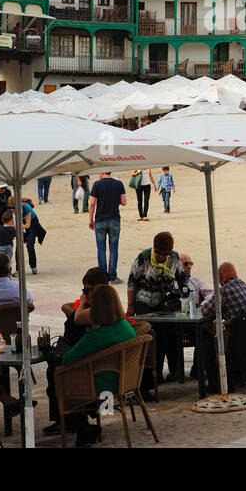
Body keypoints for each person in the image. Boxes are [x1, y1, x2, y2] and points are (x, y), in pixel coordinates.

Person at [59, 285, 137, 447]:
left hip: (104, 386)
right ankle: (86, 423)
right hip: (126, 379)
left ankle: (81, 427)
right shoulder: (125, 326)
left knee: (60, 377)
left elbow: (67, 359)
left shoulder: (97, 335)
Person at [127, 231, 189, 380]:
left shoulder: (174, 258)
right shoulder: (144, 257)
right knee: (151, 338)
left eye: (164, 254)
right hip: (144, 302)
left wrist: (184, 292)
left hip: (165, 303)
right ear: (154, 248)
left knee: (168, 336)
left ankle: (175, 371)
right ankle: (153, 375)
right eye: (159, 253)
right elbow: (132, 282)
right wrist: (130, 306)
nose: (161, 257)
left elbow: (182, 279)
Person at [88, 169, 126, 284]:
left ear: (101, 173)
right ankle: (113, 276)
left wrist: (90, 219)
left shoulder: (97, 184)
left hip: (100, 219)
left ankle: (102, 277)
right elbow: (124, 202)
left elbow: (92, 203)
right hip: (114, 219)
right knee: (113, 248)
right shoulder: (118, 184)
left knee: (101, 249)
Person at [17, 196, 46, 275]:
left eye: (14, 208)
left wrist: (16, 227)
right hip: (22, 224)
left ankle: (33, 266)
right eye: (11, 209)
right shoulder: (10, 209)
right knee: (18, 246)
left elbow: (28, 225)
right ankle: (18, 269)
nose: (12, 210)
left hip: (32, 223)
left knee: (30, 245)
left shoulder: (27, 207)